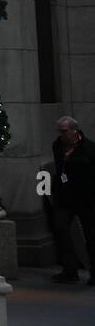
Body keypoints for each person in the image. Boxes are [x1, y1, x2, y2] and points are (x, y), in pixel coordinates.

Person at [50, 116, 95, 285]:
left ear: (75, 131)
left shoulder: (89, 149)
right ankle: (70, 270)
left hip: (86, 199)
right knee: (60, 229)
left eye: (64, 131)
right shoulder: (57, 146)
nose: (61, 134)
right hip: (64, 198)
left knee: (91, 235)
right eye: (60, 131)